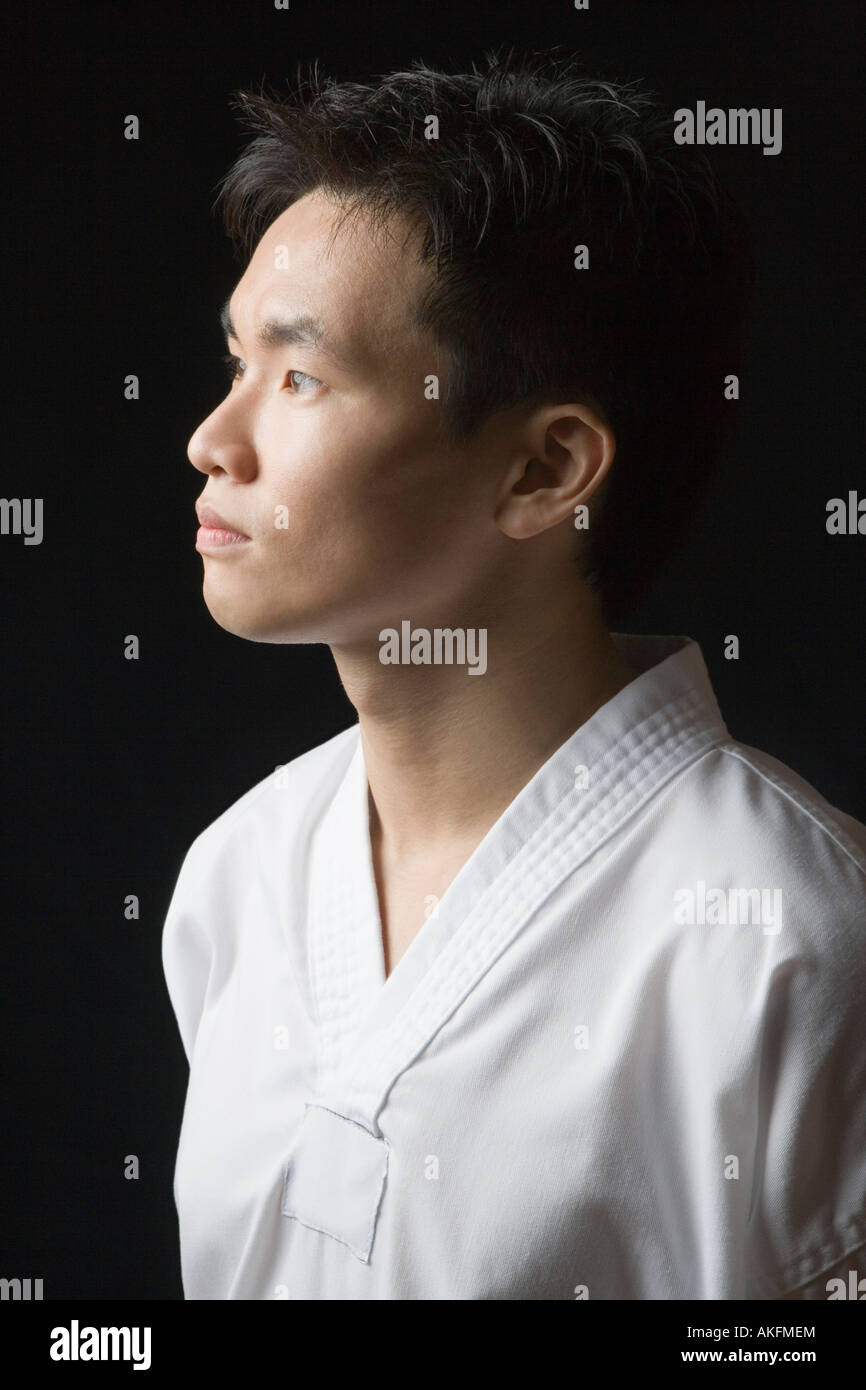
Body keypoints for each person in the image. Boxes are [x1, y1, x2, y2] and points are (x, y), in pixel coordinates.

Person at [162, 48, 866, 1299]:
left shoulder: (794, 944)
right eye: (235, 366)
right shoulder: (238, 877)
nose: (214, 442)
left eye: (302, 375)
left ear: (544, 471)